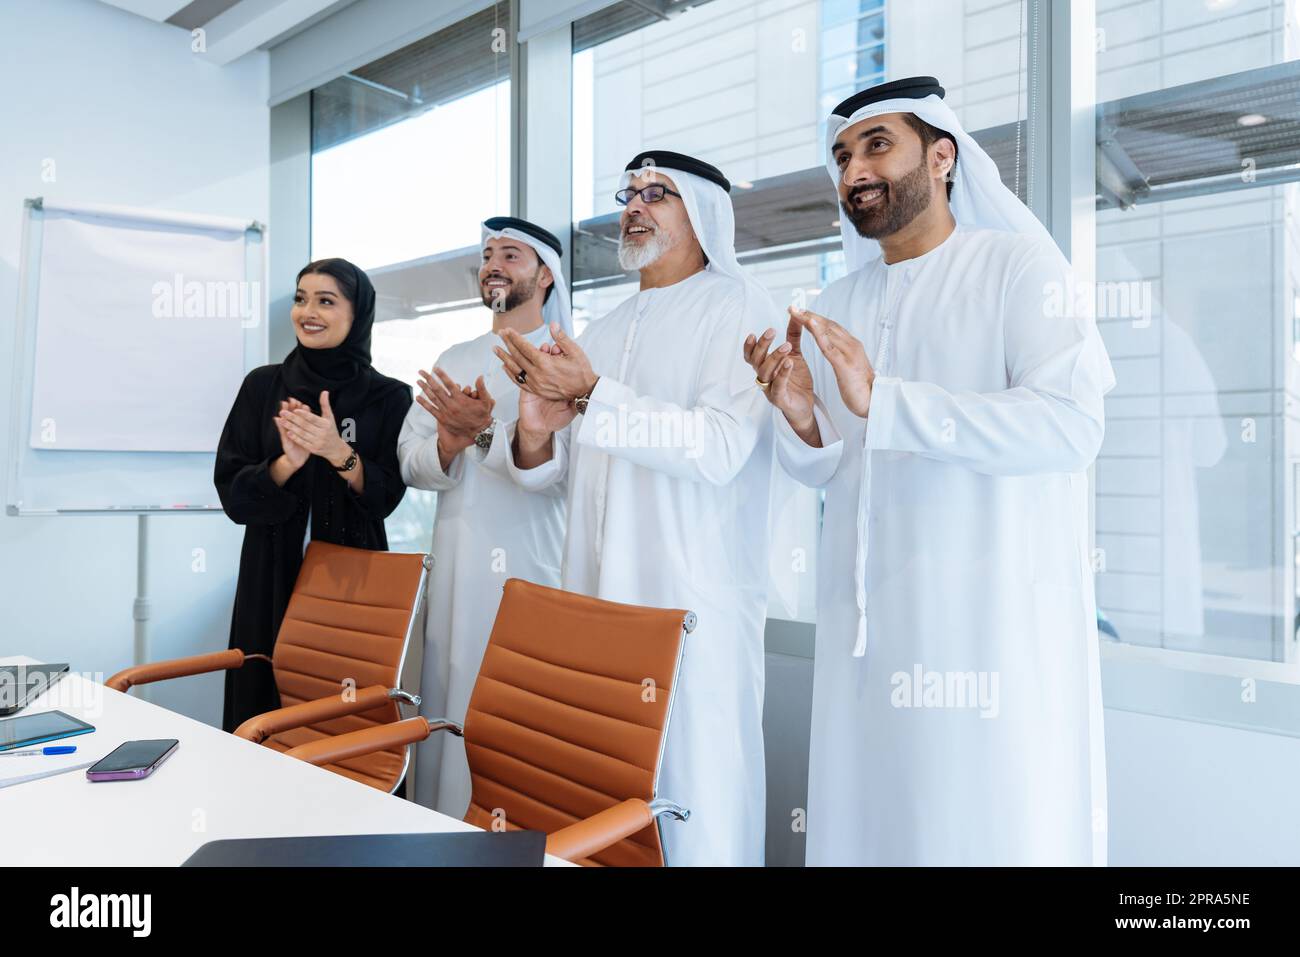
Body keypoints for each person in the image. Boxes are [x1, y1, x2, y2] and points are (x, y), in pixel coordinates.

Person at [745, 76, 1116, 865]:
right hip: (864, 637)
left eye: (877, 146)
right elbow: (830, 471)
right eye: (842, 156)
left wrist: (888, 400)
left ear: (943, 157)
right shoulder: (837, 299)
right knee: (872, 826)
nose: (853, 172)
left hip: (987, 634)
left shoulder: (1020, 268)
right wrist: (803, 414)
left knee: (978, 829)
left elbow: (1072, 424)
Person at [492, 151, 776, 866]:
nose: (635, 207)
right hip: (594, 602)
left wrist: (593, 396)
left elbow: (717, 447)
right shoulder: (605, 327)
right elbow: (558, 478)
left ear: (703, 214)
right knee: (602, 804)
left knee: (692, 800)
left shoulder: (740, 307)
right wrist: (534, 430)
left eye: (659, 194)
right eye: (629, 194)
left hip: (690, 607)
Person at [397, 216, 569, 816]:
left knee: (517, 715)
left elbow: (562, 472)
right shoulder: (454, 355)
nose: (494, 264)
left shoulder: (565, 359)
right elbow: (410, 463)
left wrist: (481, 432)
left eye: (511, 255)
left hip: (531, 566)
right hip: (454, 572)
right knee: (449, 703)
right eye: (488, 255)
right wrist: (447, 442)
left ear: (546, 274)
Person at [215, 258, 412, 732]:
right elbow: (234, 496)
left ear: (357, 314)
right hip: (269, 579)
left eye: (326, 301)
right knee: (261, 712)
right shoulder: (263, 387)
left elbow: (385, 497)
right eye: (301, 298)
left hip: (354, 585)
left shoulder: (389, 397)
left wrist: (339, 453)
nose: (309, 311)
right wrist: (287, 464)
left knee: (345, 717)